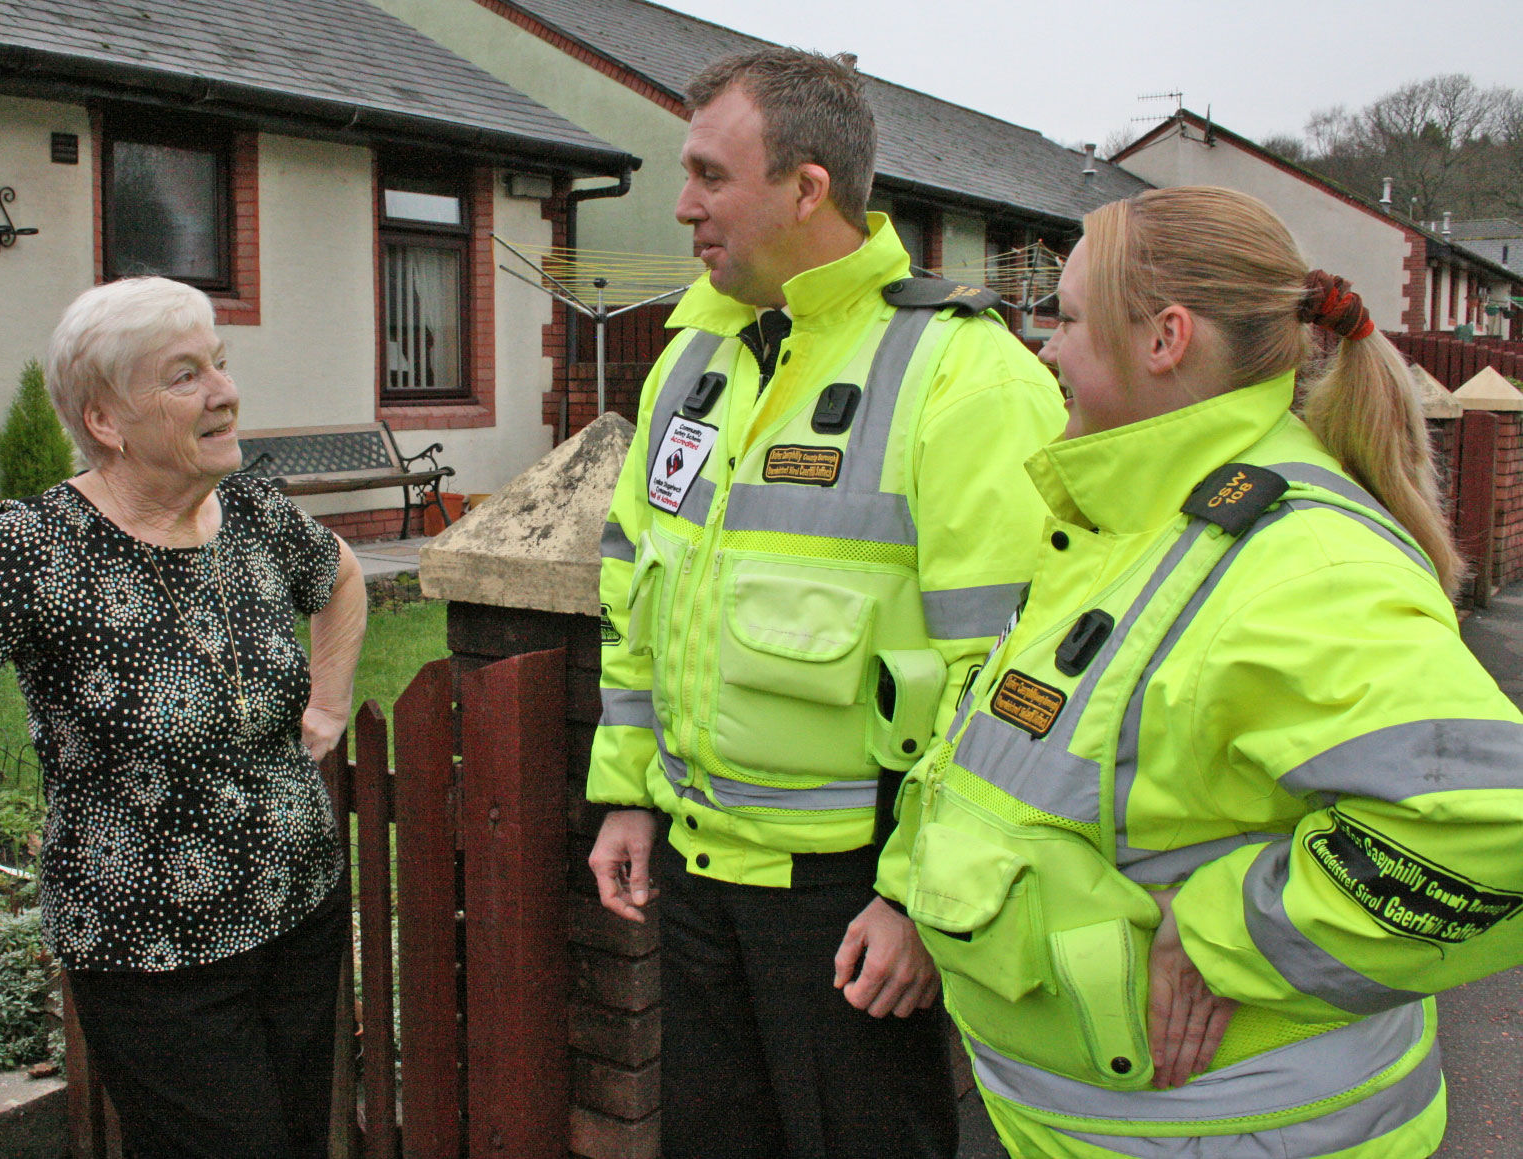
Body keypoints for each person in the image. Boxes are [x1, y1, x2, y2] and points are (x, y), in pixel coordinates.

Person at [889, 185, 1523, 1158]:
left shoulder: (1298, 561)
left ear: (1165, 337)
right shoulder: (1133, 513)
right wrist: (910, 889)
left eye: (1066, 318)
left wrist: (1227, 930)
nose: (1045, 349)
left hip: (1232, 1131)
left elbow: (1489, 828)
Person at [584, 46, 1066, 1158]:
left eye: (710, 175)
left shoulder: (966, 374)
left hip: (855, 901)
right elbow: (632, 591)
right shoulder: (692, 356)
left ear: (807, 188)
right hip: (698, 875)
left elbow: (1015, 674)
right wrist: (626, 794)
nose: (682, 204)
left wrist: (923, 896)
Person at [0, 276, 368, 1158]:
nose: (225, 391)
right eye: (186, 375)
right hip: (156, 958)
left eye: (219, 362)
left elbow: (341, 574)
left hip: (300, 912)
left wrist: (327, 702)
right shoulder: (40, 546)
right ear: (105, 419)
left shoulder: (252, 512)